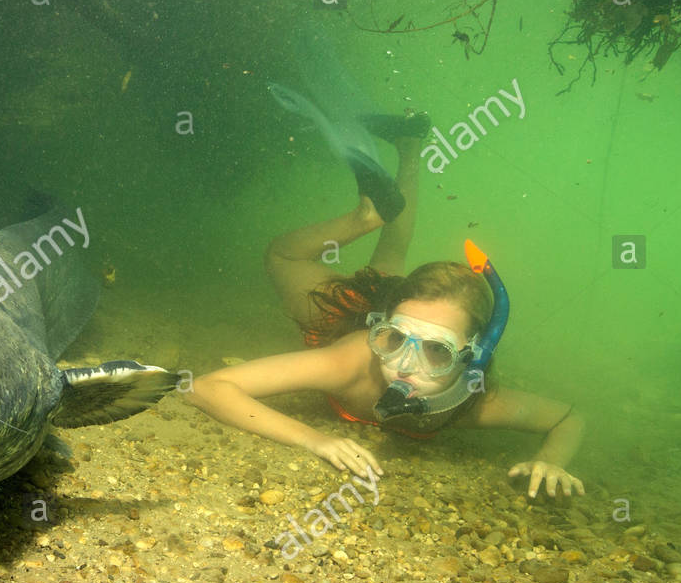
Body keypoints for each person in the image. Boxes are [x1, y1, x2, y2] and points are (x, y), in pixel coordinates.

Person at [186, 103, 586, 500]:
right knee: (283, 256)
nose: (403, 366)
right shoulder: (351, 363)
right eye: (393, 340)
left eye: (435, 351)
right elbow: (208, 387)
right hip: (356, 309)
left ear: (472, 358)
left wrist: (553, 460)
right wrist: (315, 440)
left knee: (394, 251)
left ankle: (410, 142)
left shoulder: (474, 401)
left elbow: (568, 417)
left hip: (398, 299)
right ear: (382, 329)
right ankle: (365, 217)